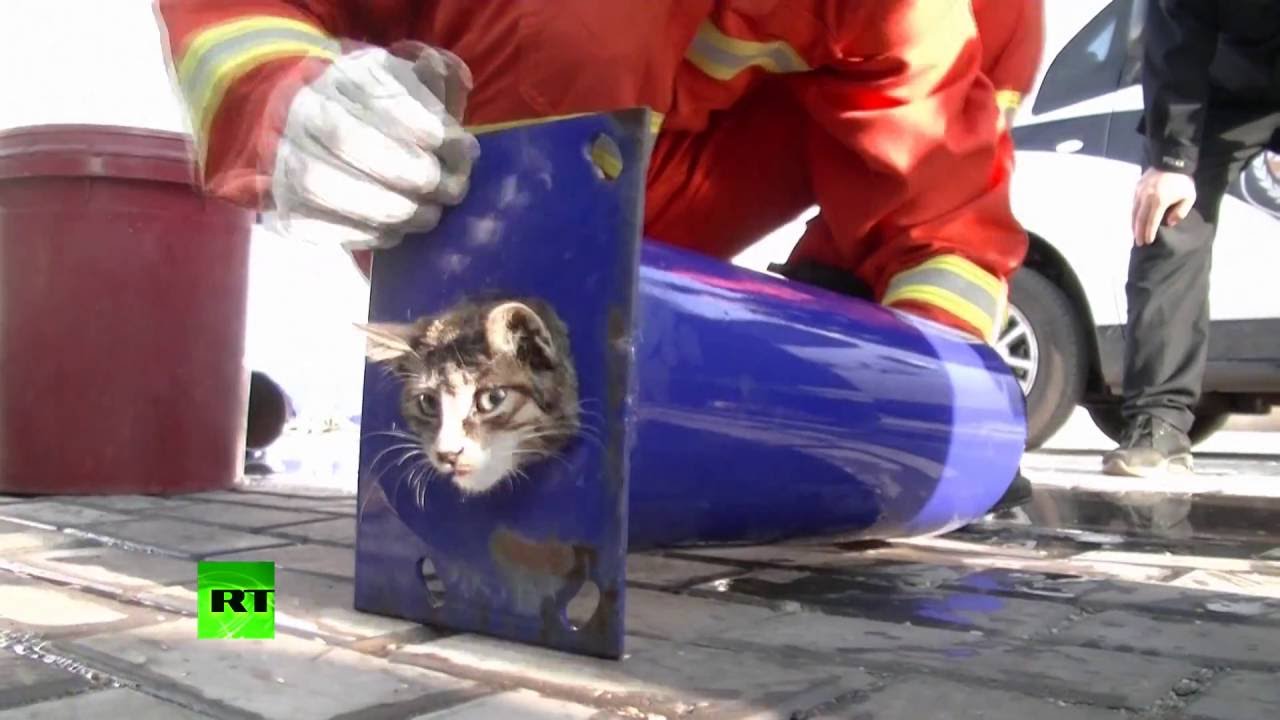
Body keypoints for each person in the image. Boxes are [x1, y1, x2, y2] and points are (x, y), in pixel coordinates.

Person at [154, 0, 1028, 346]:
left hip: (684, 181)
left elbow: (944, 209)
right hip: (451, 180)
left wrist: (930, 397)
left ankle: (816, 325)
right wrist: (285, 98)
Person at [1104, 0, 1280, 477]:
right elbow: (1174, 38)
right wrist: (1173, 160)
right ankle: (1156, 424)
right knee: (1170, 218)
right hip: (1220, 86)